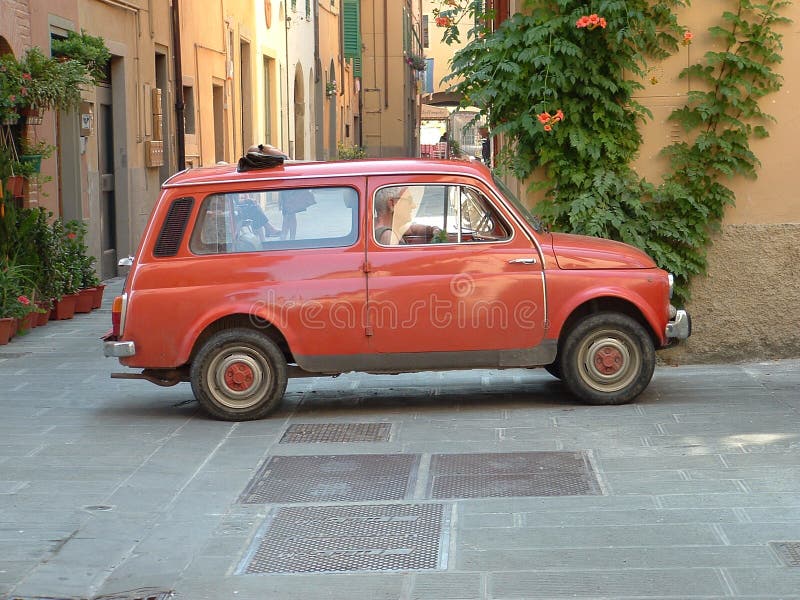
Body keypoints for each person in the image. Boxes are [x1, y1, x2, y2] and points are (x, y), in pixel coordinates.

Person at [374, 187, 442, 245]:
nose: (413, 206)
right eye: (409, 200)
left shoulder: (380, 226)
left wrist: (433, 229)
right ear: (392, 204)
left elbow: (412, 229)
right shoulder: (388, 237)